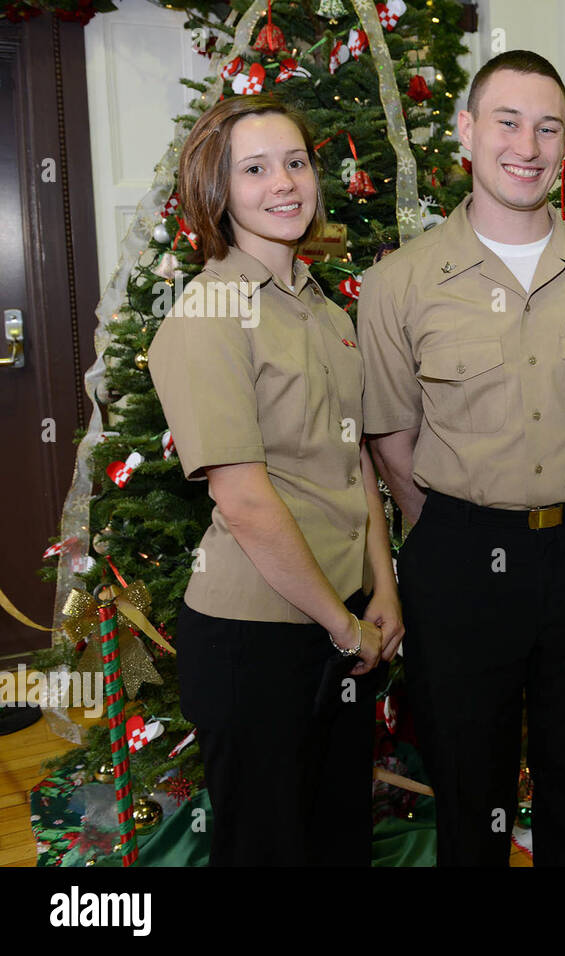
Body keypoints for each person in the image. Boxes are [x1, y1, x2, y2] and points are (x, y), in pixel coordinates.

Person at [357, 51, 565, 867]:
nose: (529, 144)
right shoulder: (399, 284)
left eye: (549, 127)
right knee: (468, 789)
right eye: (508, 121)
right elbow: (390, 437)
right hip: (460, 556)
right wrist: (450, 526)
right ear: (466, 133)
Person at [149, 94, 402, 866]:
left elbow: (355, 459)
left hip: (345, 621)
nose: (284, 183)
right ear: (218, 191)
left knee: (338, 840)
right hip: (256, 638)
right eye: (254, 169)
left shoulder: (321, 309)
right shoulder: (208, 314)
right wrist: (340, 622)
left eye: (295, 162)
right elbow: (244, 498)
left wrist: (382, 592)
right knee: (268, 849)